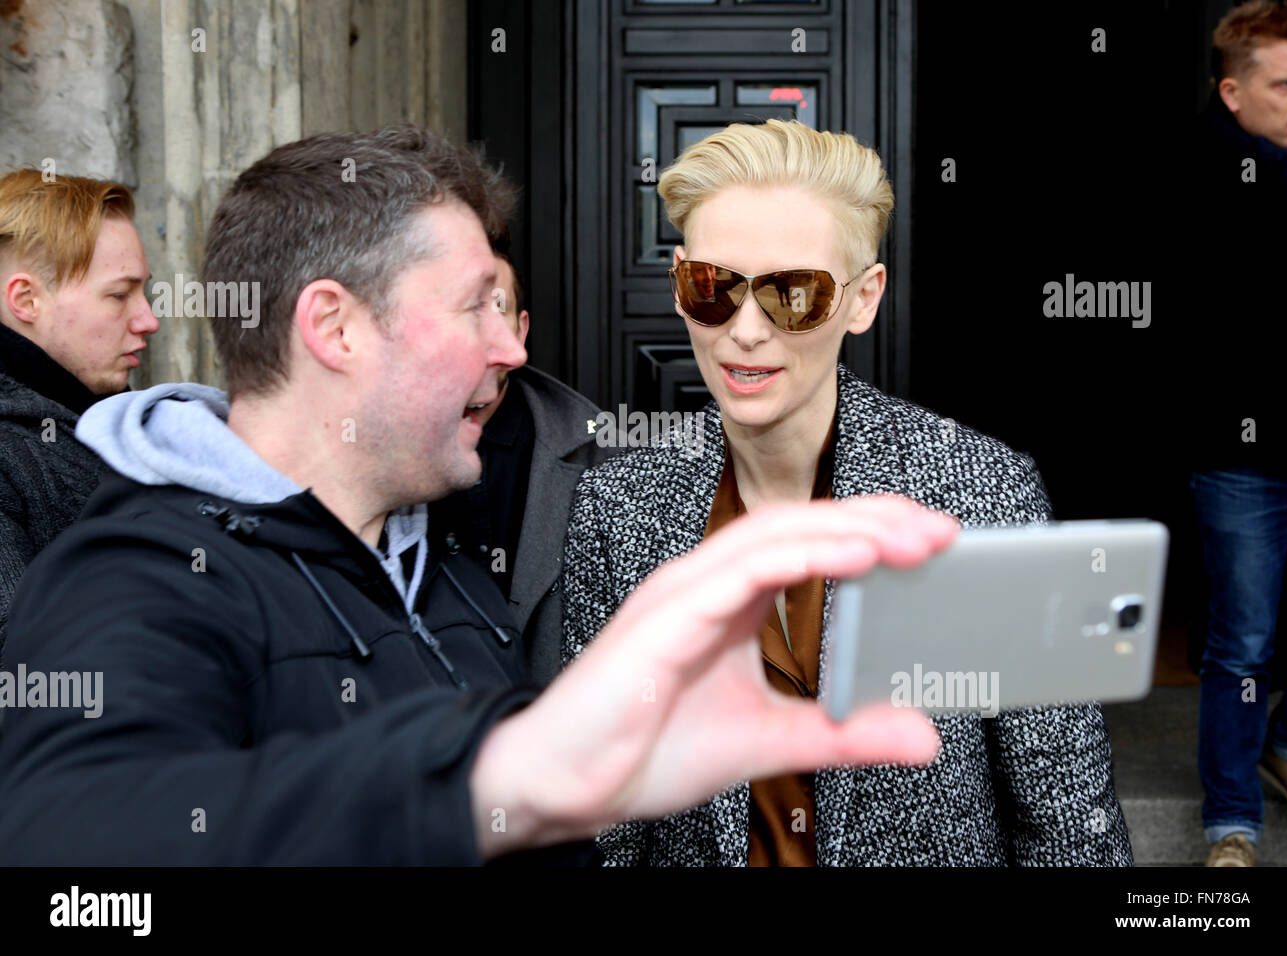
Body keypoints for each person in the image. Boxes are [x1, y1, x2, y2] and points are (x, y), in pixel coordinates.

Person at [0, 126, 956, 865]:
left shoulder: (443, 567)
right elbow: (64, 852)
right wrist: (498, 775)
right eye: (476, 308)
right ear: (335, 327)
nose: (513, 350)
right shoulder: (139, 575)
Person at [563, 119, 1132, 866]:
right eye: (712, 288)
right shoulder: (617, 511)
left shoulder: (982, 494)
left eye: (792, 295)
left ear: (863, 300)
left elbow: (1067, 822)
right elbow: (603, 823)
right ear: (678, 282)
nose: (744, 331)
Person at [1173, 0, 1287, 868]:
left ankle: (1285, 745)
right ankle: (1232, 823)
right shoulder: (1206, 170)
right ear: (1232, 92)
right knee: (1243, 640)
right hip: (1243, 455)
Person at [430, 245, 614, 686]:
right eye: (465, 310)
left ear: (522, 329)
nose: (485, 333)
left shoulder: (599, 456)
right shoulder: (378, 456)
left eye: (498, 307)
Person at [0, 170, 157, 651]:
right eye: (118, 295)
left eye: (144, 291)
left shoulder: (127, 424)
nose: (148, 319)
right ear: (26, 300)